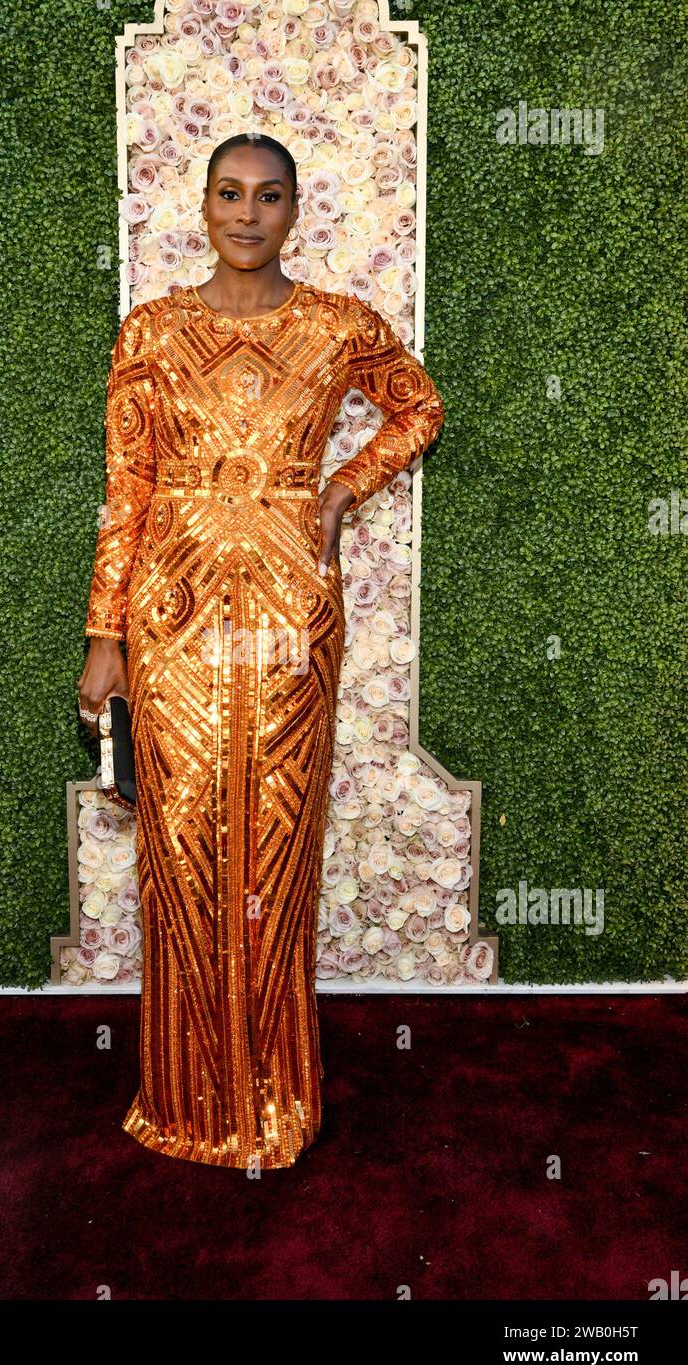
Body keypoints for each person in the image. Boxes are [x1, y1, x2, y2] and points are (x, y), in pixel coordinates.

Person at [77, 132, 445, 1169]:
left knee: (276, 857)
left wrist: (337, 489)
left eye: (268, 196)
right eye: (228, 194)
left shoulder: (336, 328)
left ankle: (273, 1099)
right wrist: (104, 637)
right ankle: (187, 1099)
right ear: (200, 206)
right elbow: (127, 490)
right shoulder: (148, 332)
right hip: (172, 614)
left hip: (290, 619)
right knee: (182, 847)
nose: (246, 214)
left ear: (294, 210)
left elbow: (417, 408)